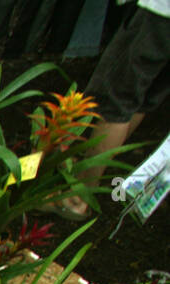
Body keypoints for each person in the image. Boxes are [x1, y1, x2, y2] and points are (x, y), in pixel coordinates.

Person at [52, 0, 170, 219]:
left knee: (117, 99)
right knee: (142, 97)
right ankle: (91, 170)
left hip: (160, 14)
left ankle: (79, 195)